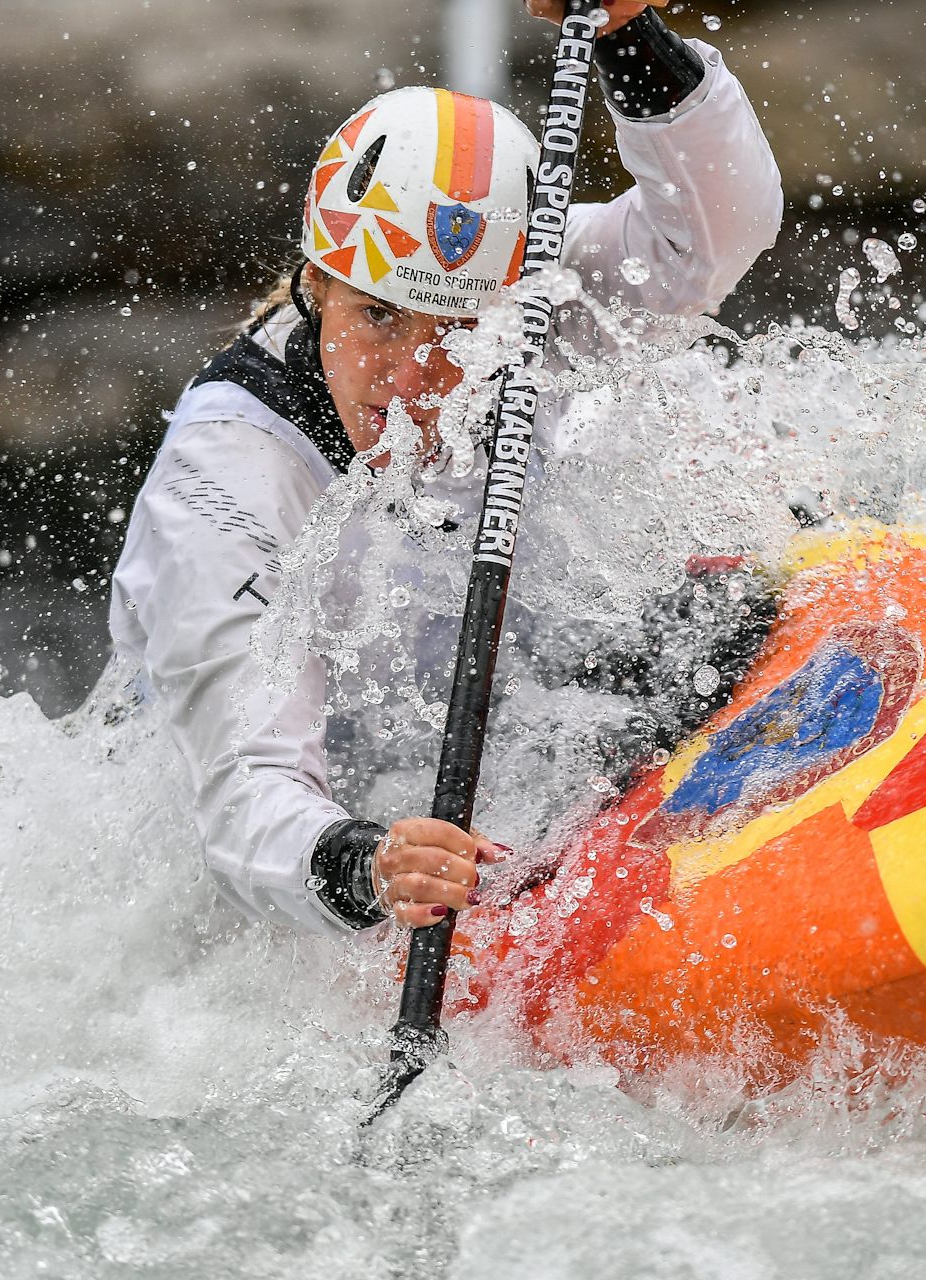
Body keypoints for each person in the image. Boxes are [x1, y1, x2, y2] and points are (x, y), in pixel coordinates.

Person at [107, 0, 782, 939]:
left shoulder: (528, 300)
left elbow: (710, 241)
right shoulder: (227, 480)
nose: (414, 379)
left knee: (714, 613)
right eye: (378, 318)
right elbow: (243, 788)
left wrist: (632, 37)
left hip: (508, 722)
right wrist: (370, 863)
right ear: (317, 285)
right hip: (292, 868)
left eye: (461, 332)